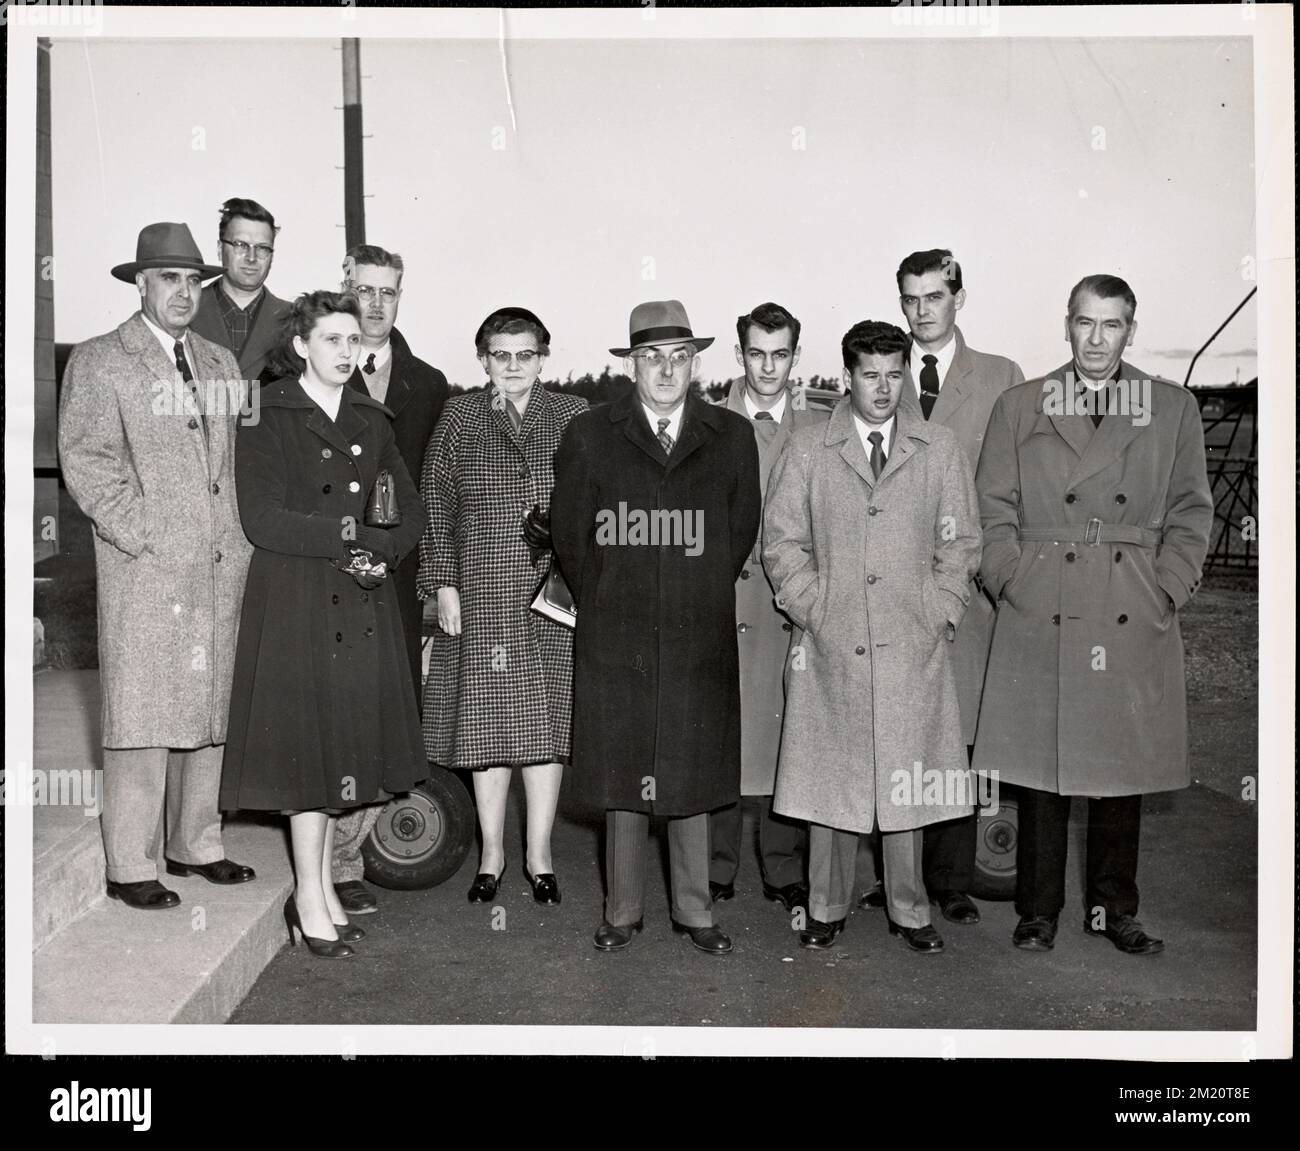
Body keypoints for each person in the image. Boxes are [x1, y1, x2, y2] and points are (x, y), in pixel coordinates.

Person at [973, 274, 1212, 955]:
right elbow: (993, 506)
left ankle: (1114, 908)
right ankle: (1037, 910)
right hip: (1042, 598)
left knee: (1119, 765)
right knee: (1043, 765)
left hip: (1128, 603)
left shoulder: (1171, 408)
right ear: (1067, 325)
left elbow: (1194, 510)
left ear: (1131, 330)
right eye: (1086, 323)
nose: (1098, 338)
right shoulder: (1020, 405)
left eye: (1112, 325)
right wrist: (1010, 576)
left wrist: (1166, 585)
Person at [219, 291, 427, 958]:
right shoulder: (268, 413)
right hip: (299, 599)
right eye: (331, 340)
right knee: (309, 758)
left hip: (362, 599)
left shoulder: (373, 417)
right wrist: (353, 539)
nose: (346, 352)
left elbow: (413, 512)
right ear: (301, 346)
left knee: (346, 750)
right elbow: (263, 517)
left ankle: (325, 890)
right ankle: (308, 893)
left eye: (352, 341)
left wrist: (382, 551)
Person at [551, 300, 761, 955]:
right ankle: (622, 910)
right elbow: (571, 535)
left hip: (697, 626)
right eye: (651, 357)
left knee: (691, 765)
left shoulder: (731, 435)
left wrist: (693, 589)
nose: (666, 370)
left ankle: (695, 911)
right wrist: (611, 594)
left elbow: (737, 531)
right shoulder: (590, 434)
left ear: (696, 363)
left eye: (678, 357)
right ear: (632, 363)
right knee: (622, 767)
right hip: (618, 628)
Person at [764, 320, 981, 953]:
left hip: (911, 641)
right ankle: (826, 904)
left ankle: (909, 909)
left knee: (907, 776)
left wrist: (939, 609)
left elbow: (961, 542)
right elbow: (781, 543)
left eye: (895, 374)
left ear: (906, 374)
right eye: (870, 374)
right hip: (831, 642)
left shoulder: (937, 447)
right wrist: (816, 607)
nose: (883, 388)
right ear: (847, 376)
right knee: (833, 777)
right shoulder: (808, 450)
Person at [58, 221, 255, 911]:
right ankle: (131, 860)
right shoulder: (101, 359)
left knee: (207, 705)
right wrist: (143, 533)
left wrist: (239, 537)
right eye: (167, 279)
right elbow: (86, 460)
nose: (181, 292)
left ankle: (197, 841)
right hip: (144, 567)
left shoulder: (220, 362)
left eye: (191, 281)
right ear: (140, 283)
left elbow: (236, 463)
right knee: (142, 712)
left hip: (219, 565)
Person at [418, 307, 587, 905]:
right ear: (483, 359)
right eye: (500, 355)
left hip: (554, 593)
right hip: (481, 590)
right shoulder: (459, 416)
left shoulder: (573, 415)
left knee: (546, 725)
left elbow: (595, 499)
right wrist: (442, 584)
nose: (513, 366)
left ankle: (539, 855)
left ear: (543, 356)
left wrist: (571, 541)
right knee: (486, 725)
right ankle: (492, 853)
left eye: (525, 355)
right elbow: (435, 505)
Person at [881, 248, 1025, 927]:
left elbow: (1014, 482)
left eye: (934, 296)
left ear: (958, 296)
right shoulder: (881, 373)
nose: (921, 311)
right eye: (910, 299)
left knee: (966, 737)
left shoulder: (1001, 378)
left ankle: (955, 878)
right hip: (898, 585)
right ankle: (895, 876)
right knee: (902, 731)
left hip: (972, 583)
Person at [331, 243, 451, 917]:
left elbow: (430, 491)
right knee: (335, 712)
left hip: (398, 581)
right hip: (327, 571)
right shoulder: (309, 370)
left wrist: (431, 579)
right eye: (365, 290)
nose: (376, 305)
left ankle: (360, 847)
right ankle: (335, 858)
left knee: (384, 711)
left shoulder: (428, 383)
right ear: (345, 291)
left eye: (389, 292)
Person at [707, 302, 829, 915]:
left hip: (791, 603)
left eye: (780, 354)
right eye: (756, 353)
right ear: (739, 355)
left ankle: (784, 869)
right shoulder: (707, 421)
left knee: (790, 732)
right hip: (725, 599)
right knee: (724, 728)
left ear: (796, 357)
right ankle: (716, 865)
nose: (768, 367)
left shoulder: (822, 428)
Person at [190, 197, 292, 384]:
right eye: (240, 245)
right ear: (220, 249)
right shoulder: (186, 311)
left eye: (262, 248)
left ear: (272, 255)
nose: (251, 258)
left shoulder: (293, 320)